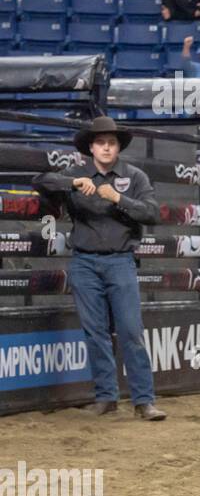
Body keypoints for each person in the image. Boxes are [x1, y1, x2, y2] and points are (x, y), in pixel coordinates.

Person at [30, 117, 166, 421]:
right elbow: (40, 181)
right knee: (95, 333)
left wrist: (118, 198)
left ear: (118, 147)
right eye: (101, 142)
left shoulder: (134, 177)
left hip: (120, 261)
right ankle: (107, 397)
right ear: (91, 147)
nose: (106, 147)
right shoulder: (77, 174)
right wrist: (72, 183)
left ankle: (144, 400)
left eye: (111, 143)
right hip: (84, 262)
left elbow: (153, 213)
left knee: (131, 330)